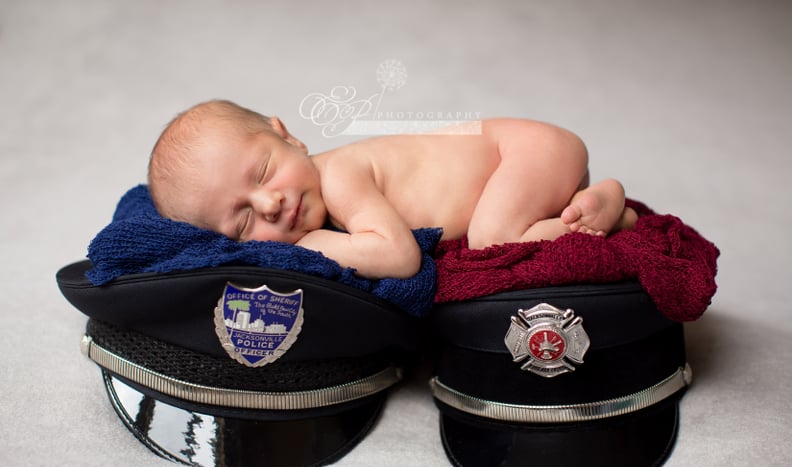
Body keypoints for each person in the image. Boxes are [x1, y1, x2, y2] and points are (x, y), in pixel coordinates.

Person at [148, 100, 637, 279]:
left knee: (493, 239)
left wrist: (319, 245)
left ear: (288, 136)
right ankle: (602, 210)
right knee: (507, 220)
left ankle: (599, 219)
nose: (270, 203)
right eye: (243, 219)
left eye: (263, 173)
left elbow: (400, 257)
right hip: (532, 169)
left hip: (524, 152)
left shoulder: (339, 176)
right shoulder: (322, 187)